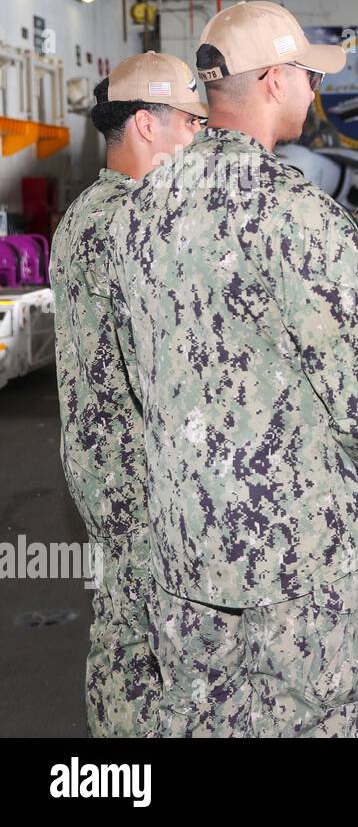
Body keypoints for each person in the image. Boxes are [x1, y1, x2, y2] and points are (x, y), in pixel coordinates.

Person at [106, 0, 358, 736]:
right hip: (298, 556)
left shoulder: (135, 214)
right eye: (307, 74)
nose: (315, 89)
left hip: (185, 543)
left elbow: (139, 376)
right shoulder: (304, 216)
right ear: (273, 81)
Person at [50, 52, 206, 737]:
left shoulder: (88, 211)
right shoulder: (134, 223)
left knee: (127, 621)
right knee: (144, 638)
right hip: (135, 463)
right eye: (191, 121)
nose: (200, 135)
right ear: (146, 124)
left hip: (105, 455)